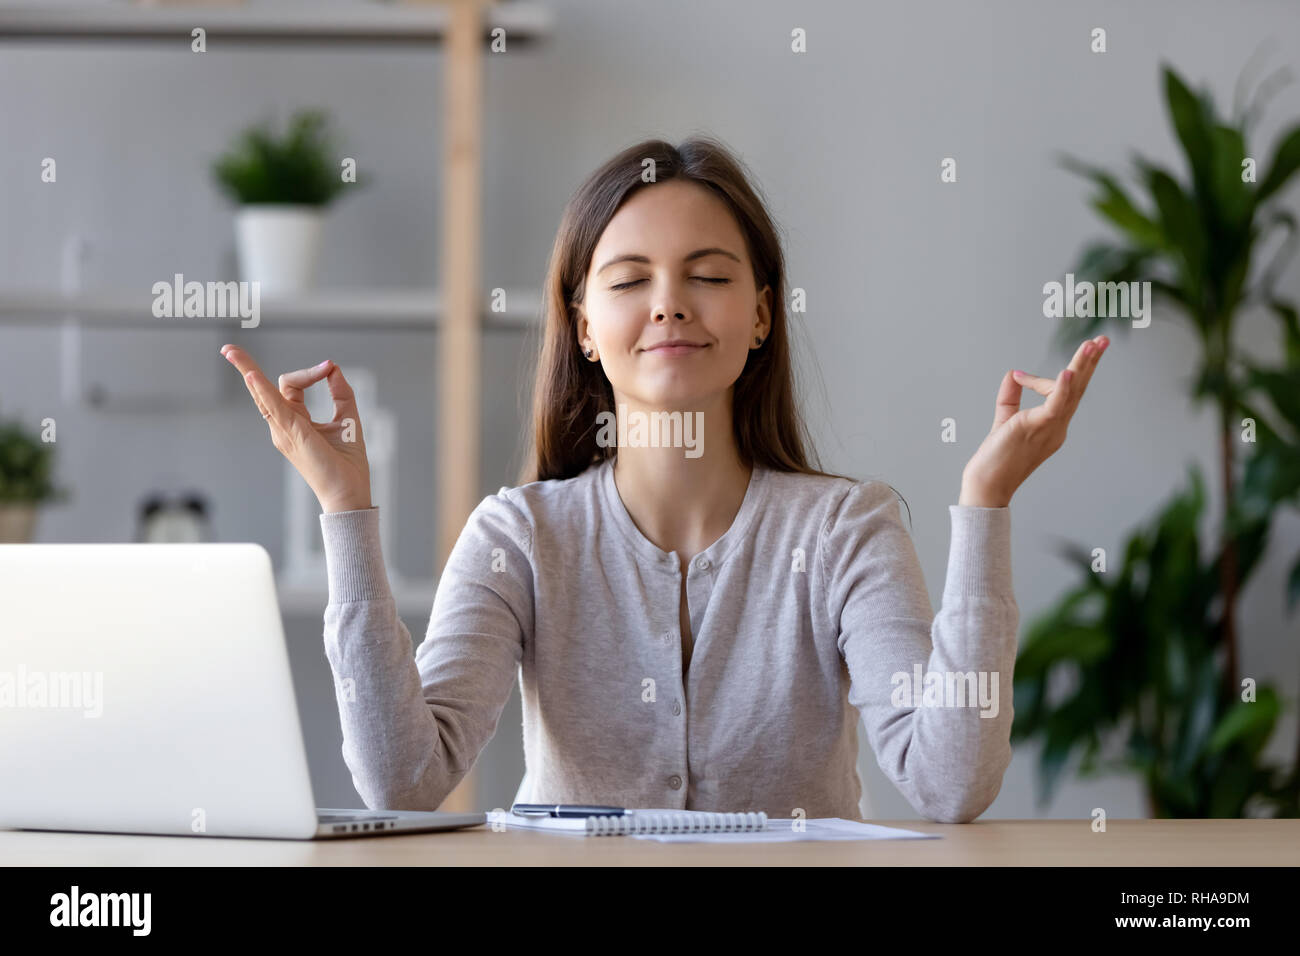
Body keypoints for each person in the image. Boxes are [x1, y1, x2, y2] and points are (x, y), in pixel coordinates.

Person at [220, 135, 1107, 823]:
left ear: (761, 315)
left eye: (709, 276)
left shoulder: (846, 528)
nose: (669, 303)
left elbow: (950, 782)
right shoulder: (521, 537)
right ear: (583, 328)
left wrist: (986, 504)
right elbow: (404, 781)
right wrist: (346, 507)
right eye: (630, 280)